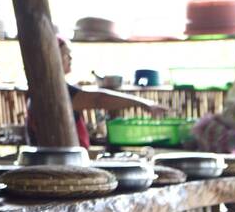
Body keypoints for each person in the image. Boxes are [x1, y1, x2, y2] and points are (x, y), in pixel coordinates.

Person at [27, 34, 166, 148]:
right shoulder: (54, 91)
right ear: (53, 58)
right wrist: (144, 104)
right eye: (66, 55)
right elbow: (99, 99)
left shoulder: (42, 87)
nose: (70, 58)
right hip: (59, 163)